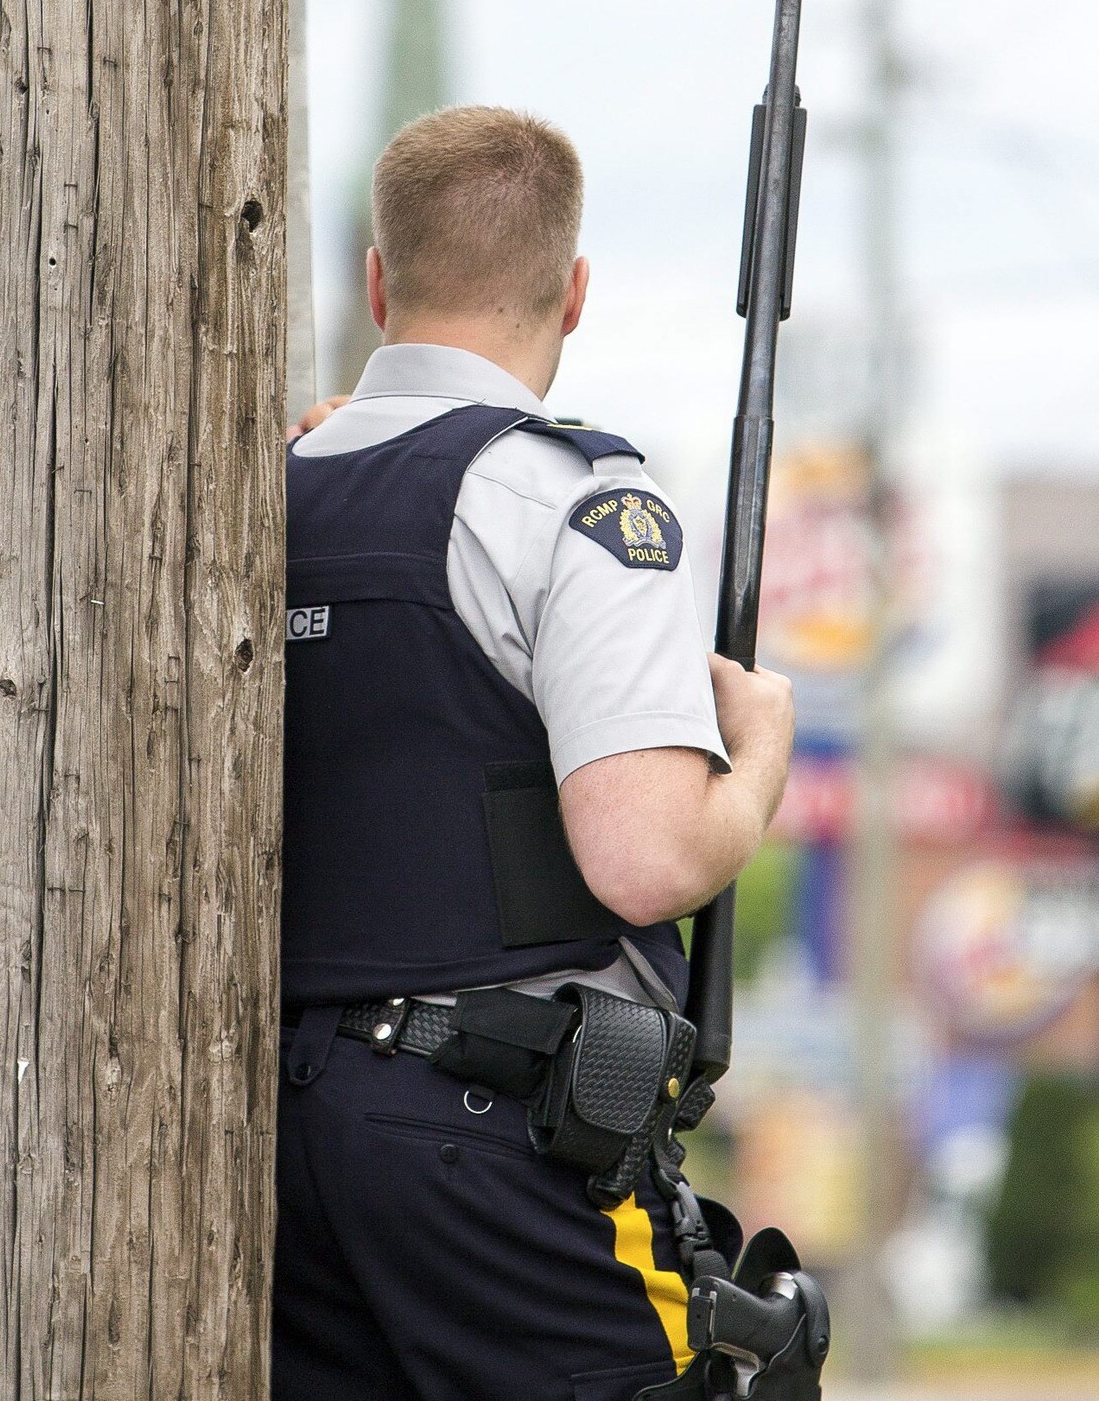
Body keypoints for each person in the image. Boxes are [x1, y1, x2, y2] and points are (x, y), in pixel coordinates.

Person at [275, 105, 794, 1401]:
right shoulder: (576, 503)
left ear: (380, 280)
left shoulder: (263, 481)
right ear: (572, 294)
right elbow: (646, 858)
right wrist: (761, 758)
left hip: (271, 1137)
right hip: (490, 1150)